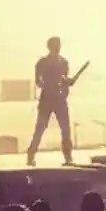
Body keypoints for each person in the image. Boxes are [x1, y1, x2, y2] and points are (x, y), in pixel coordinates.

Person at [27, 36, 77, 167]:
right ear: (50, 46)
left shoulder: (64, 63)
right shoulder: (42, 63)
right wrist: (48, 85)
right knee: (40, 128)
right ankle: (31, 154)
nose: (58, 47)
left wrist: (68, 83)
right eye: (56, 45)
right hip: (47, 100)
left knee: (66, 129)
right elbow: (38, 81)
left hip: (60, 100)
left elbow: (65, 81)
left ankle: (68, 157)